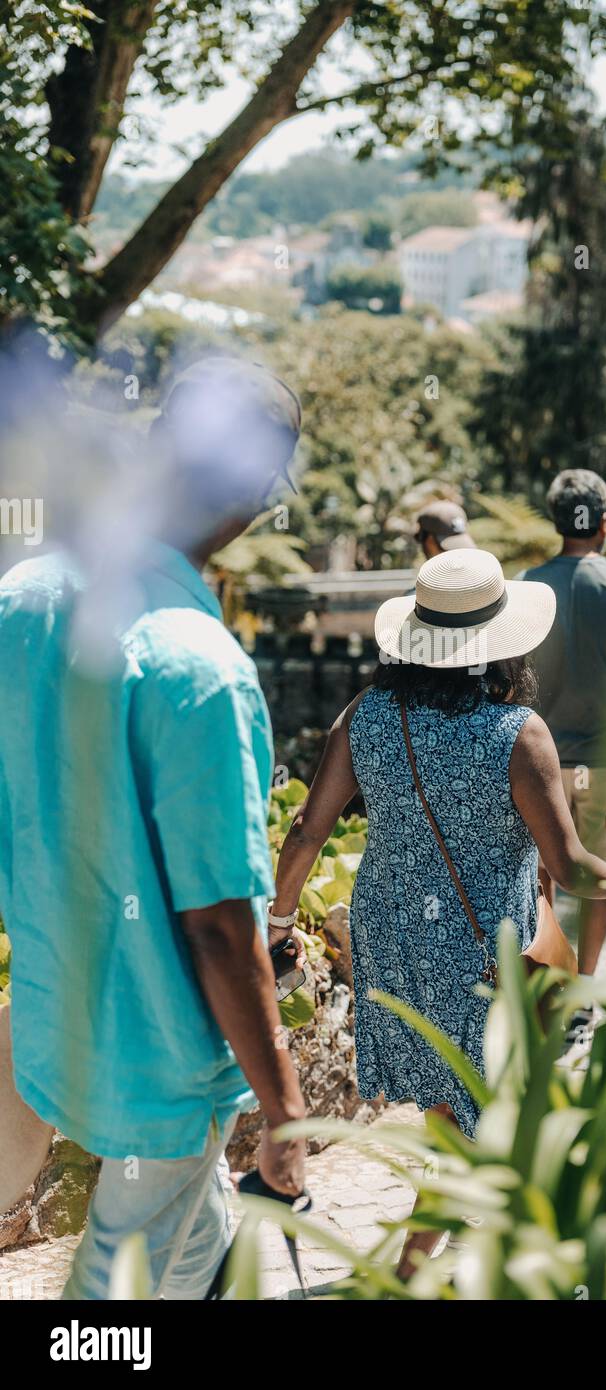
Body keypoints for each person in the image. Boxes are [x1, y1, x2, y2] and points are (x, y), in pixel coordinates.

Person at [0, 358, 308, 1299]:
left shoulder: (25, 597)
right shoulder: (202, 669)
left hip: (52, 1013)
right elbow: (218, 926)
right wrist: (288, 1112)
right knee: (113, 1308)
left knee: (198, 1250)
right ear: (258, 495)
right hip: (161, 1064)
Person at [270, 549, 606, 1279]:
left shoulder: (365, 716)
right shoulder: (518, 734)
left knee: (456, 1103)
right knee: (481, 1101)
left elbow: (307, 831)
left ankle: (434, 1254)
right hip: (481, 944)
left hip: (391, 934)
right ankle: (454, 1262)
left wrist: (283, 921)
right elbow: (569, 865)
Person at [522, 469, 606, 978]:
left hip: (537, 762)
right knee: (604, 874)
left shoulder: (529, 586)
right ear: (604, 522)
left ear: (557, 521)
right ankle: (586, 984)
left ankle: (546, 978)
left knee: (540, 872)